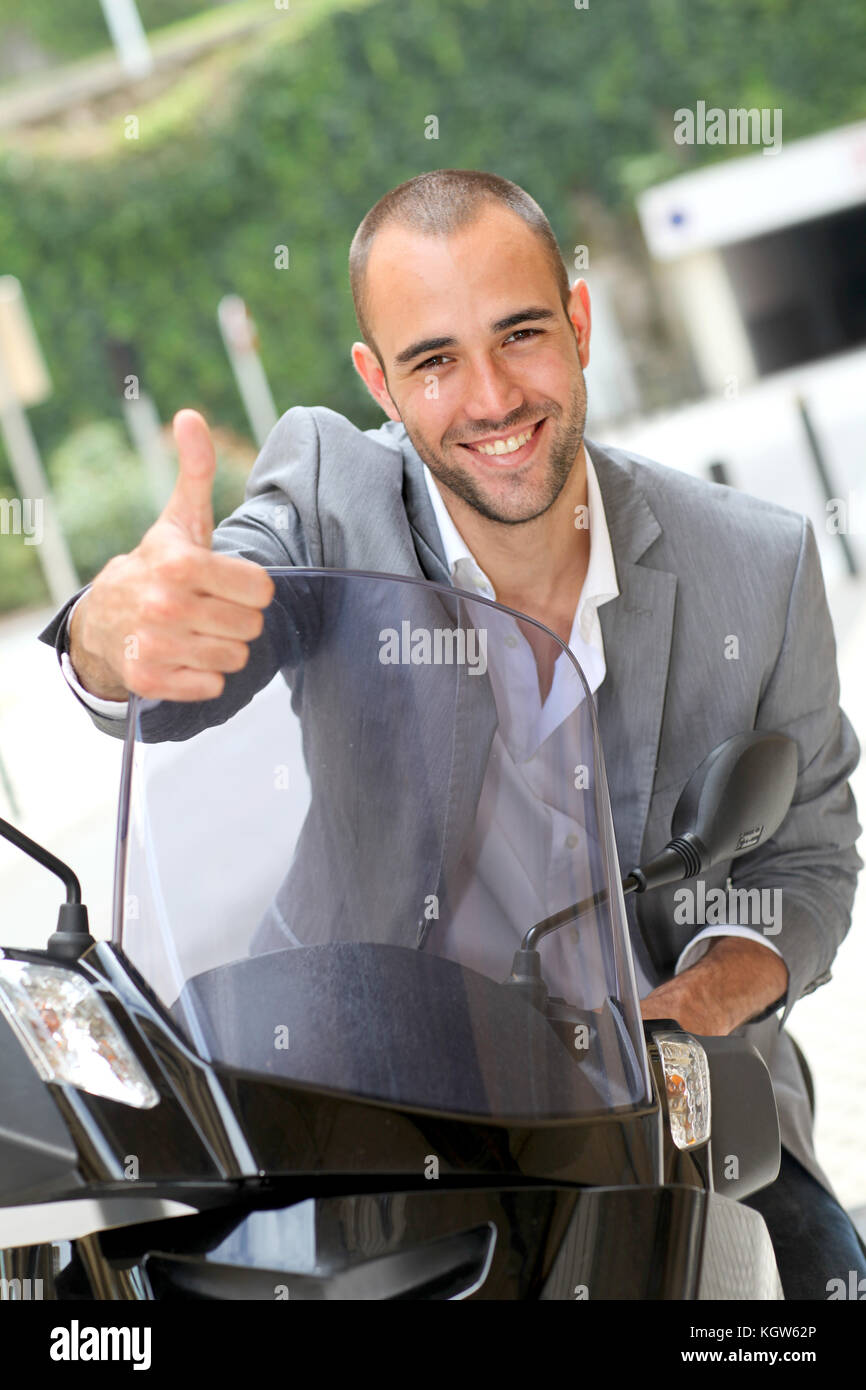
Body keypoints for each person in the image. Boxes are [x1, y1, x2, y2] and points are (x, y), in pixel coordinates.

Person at [38, 168, 864, 1298]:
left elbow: (806, 854)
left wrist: (695, 1007)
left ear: (576, 323)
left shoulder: (755, 564)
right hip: (351, 1089)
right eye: (431, 360)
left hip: (652, 1107)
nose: (488, 398)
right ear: (378, 380)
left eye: (518, 334)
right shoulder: (329, 500)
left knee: (817, 1285)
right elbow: (192, 637)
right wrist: (112, 631)